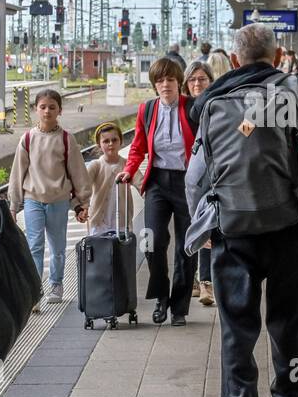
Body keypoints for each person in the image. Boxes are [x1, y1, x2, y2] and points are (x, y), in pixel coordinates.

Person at [185, 23, 298, 397]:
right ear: (276, 57)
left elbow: (196, 177)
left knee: (237, 325)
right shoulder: (297, 89)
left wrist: (205, 228)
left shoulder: (213, 100)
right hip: (287, 225)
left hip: (233, 229)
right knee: (290, 320)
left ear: (235, 61)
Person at [117, 57, 196, 325]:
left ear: (179, 82)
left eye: (170, 80)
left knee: (187, 246)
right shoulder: (147, 110)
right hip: (158, 183)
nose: (165, 84)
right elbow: (138, 146)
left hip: (187, 183)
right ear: (154, 84)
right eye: (160, 80)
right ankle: (162, 296)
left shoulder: (192, 107)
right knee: (151, 240)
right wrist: (130, 169)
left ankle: (180, 308)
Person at [8, 89, 92, 307]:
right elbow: (18, 173)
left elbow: (77, 171)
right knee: (34, 246)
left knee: (57, 247)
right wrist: (13, 205)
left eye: (52, 107)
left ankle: (56, 283)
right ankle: (35, 290)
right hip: (32, 200)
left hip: (58, 201)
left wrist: (82, 202)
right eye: (43, 107)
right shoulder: (27, 139)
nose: (47, 111)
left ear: (60, 111)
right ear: (36, 109)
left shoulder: (66, 139)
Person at [183, 61, 217, 306]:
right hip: (180, 175)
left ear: (211, 81)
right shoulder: (181, 109)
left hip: (205, 174)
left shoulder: (215, 106)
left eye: (202, 79)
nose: (197, 84)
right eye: (193, 79)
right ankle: (194, 280)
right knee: (187, 229)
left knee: (205, 224)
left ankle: (205, 281)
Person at [85, 121, 136, 236]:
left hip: (122, 222)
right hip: (99, 223)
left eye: (114, 140)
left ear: (121, 142)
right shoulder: (95, 165)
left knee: (121, 253)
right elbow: (83, 188)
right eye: (106, 141)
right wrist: (81, 207)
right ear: (99, 144)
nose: (111, 144)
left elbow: (141, 183)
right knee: (99, 253)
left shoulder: (128, 165)